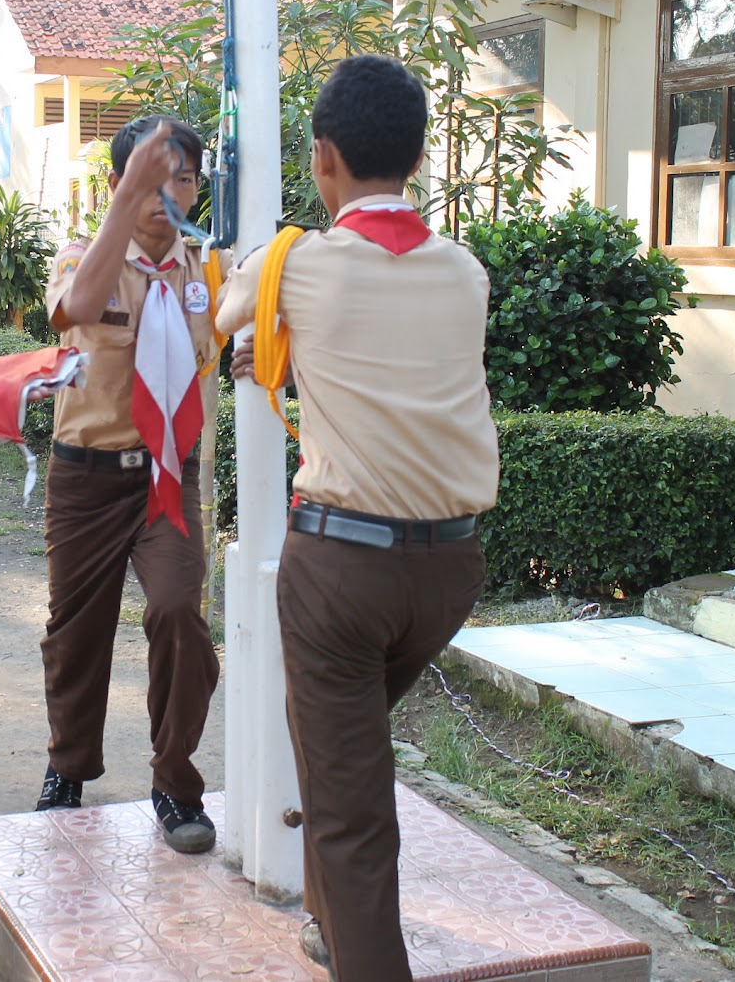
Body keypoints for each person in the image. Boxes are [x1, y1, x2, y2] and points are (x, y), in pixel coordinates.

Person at [216, 54, 500, 982]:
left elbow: (229, 315)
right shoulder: (465, 273)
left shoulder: (300, 263)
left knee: (351, 813)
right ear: (414, 159)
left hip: (342, 574)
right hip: (450, 574)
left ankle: (359, 948)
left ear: (324, 157)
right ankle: (333, 930)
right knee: (339, 756)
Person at [34, 114, 221, 855]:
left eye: (181, 177)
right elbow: (77, 308)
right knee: (75, 633)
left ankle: (174, 781)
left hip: (166, 477)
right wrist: (123, 204)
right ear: (117, 184)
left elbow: (241, 332)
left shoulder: (209, 267)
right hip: (87, 475)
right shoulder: (85, 255)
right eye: (148, 176)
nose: (164, 193)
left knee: (180, 614)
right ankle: (68, 767)